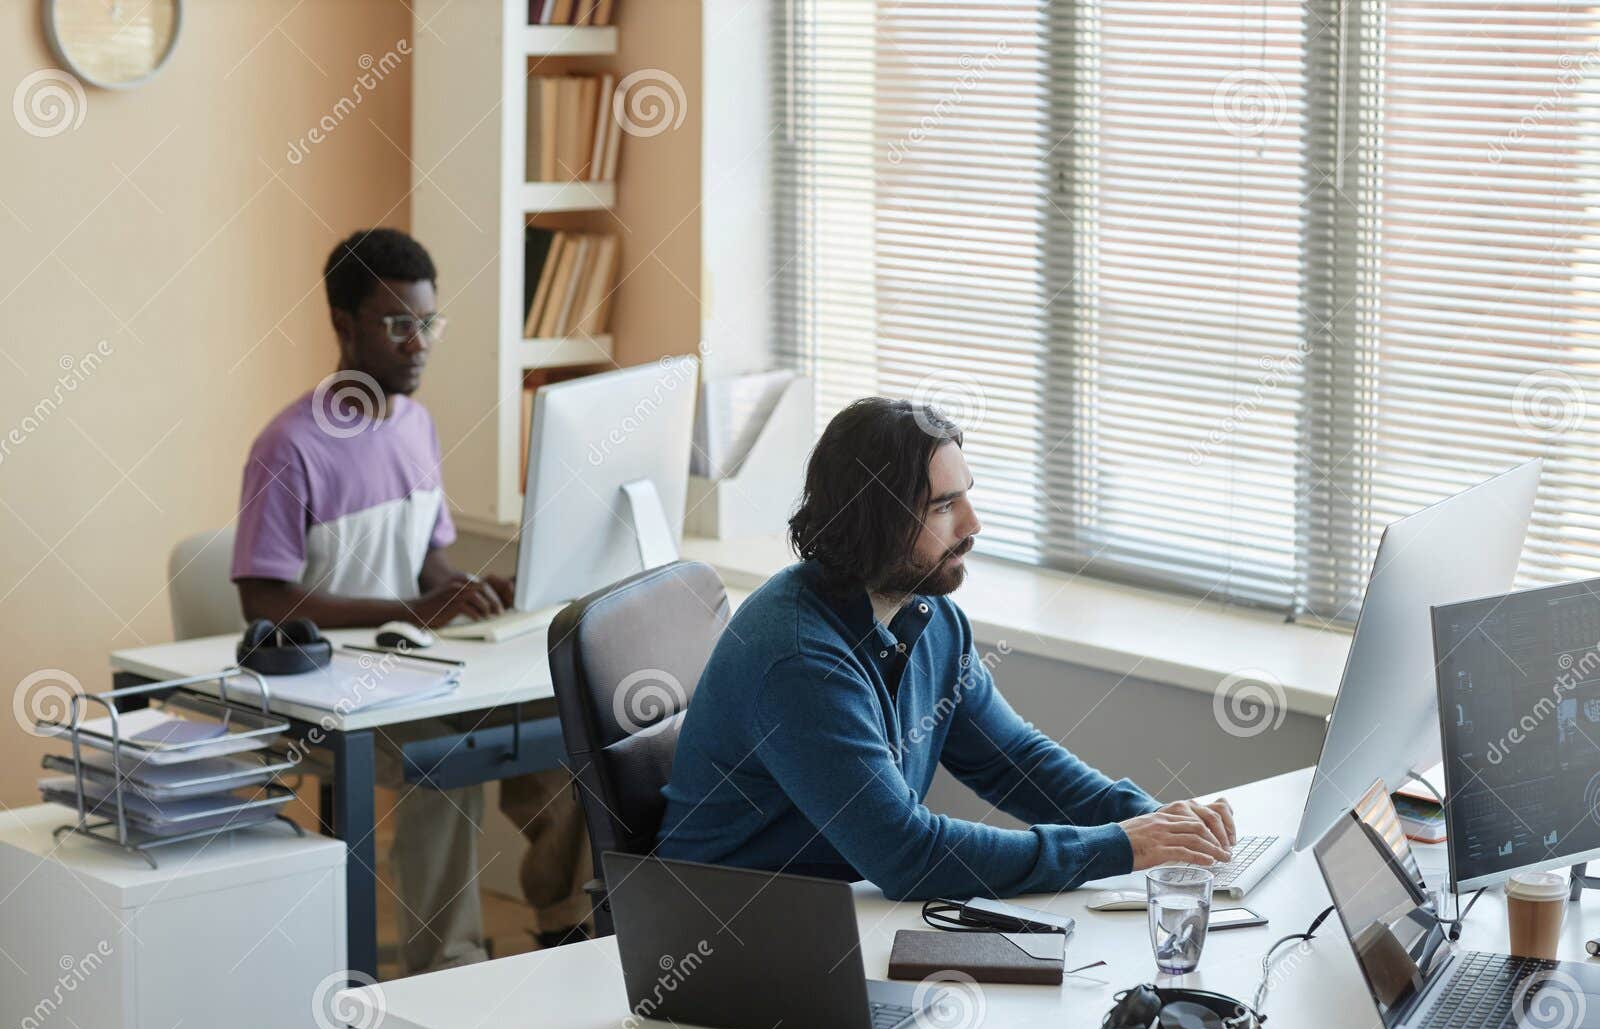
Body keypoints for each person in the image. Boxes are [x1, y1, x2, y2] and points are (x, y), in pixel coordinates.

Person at [658, 397, 1236, 900]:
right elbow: (907, 855)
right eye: (943, 506)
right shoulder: (800, 661)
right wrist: (1119, 848)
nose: (973, 523)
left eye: (967, 497)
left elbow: (1014, 761)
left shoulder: (928, 615)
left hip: (833, 912)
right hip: (726, 933)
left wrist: (1155, 820)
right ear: (873, 519)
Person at [230, 227, 591, 972]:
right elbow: (263, 600)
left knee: (570, 737)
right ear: (343, 325)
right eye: (398, 325)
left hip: (418, 668)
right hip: (339, 690)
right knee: (446, 763)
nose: (418, 342)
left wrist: (455, 590)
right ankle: (444, 976)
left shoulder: (416, 425)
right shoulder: (288, 446)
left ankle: (563, 927)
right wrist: (405, 612)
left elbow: (425, 558)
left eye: (428, 322)